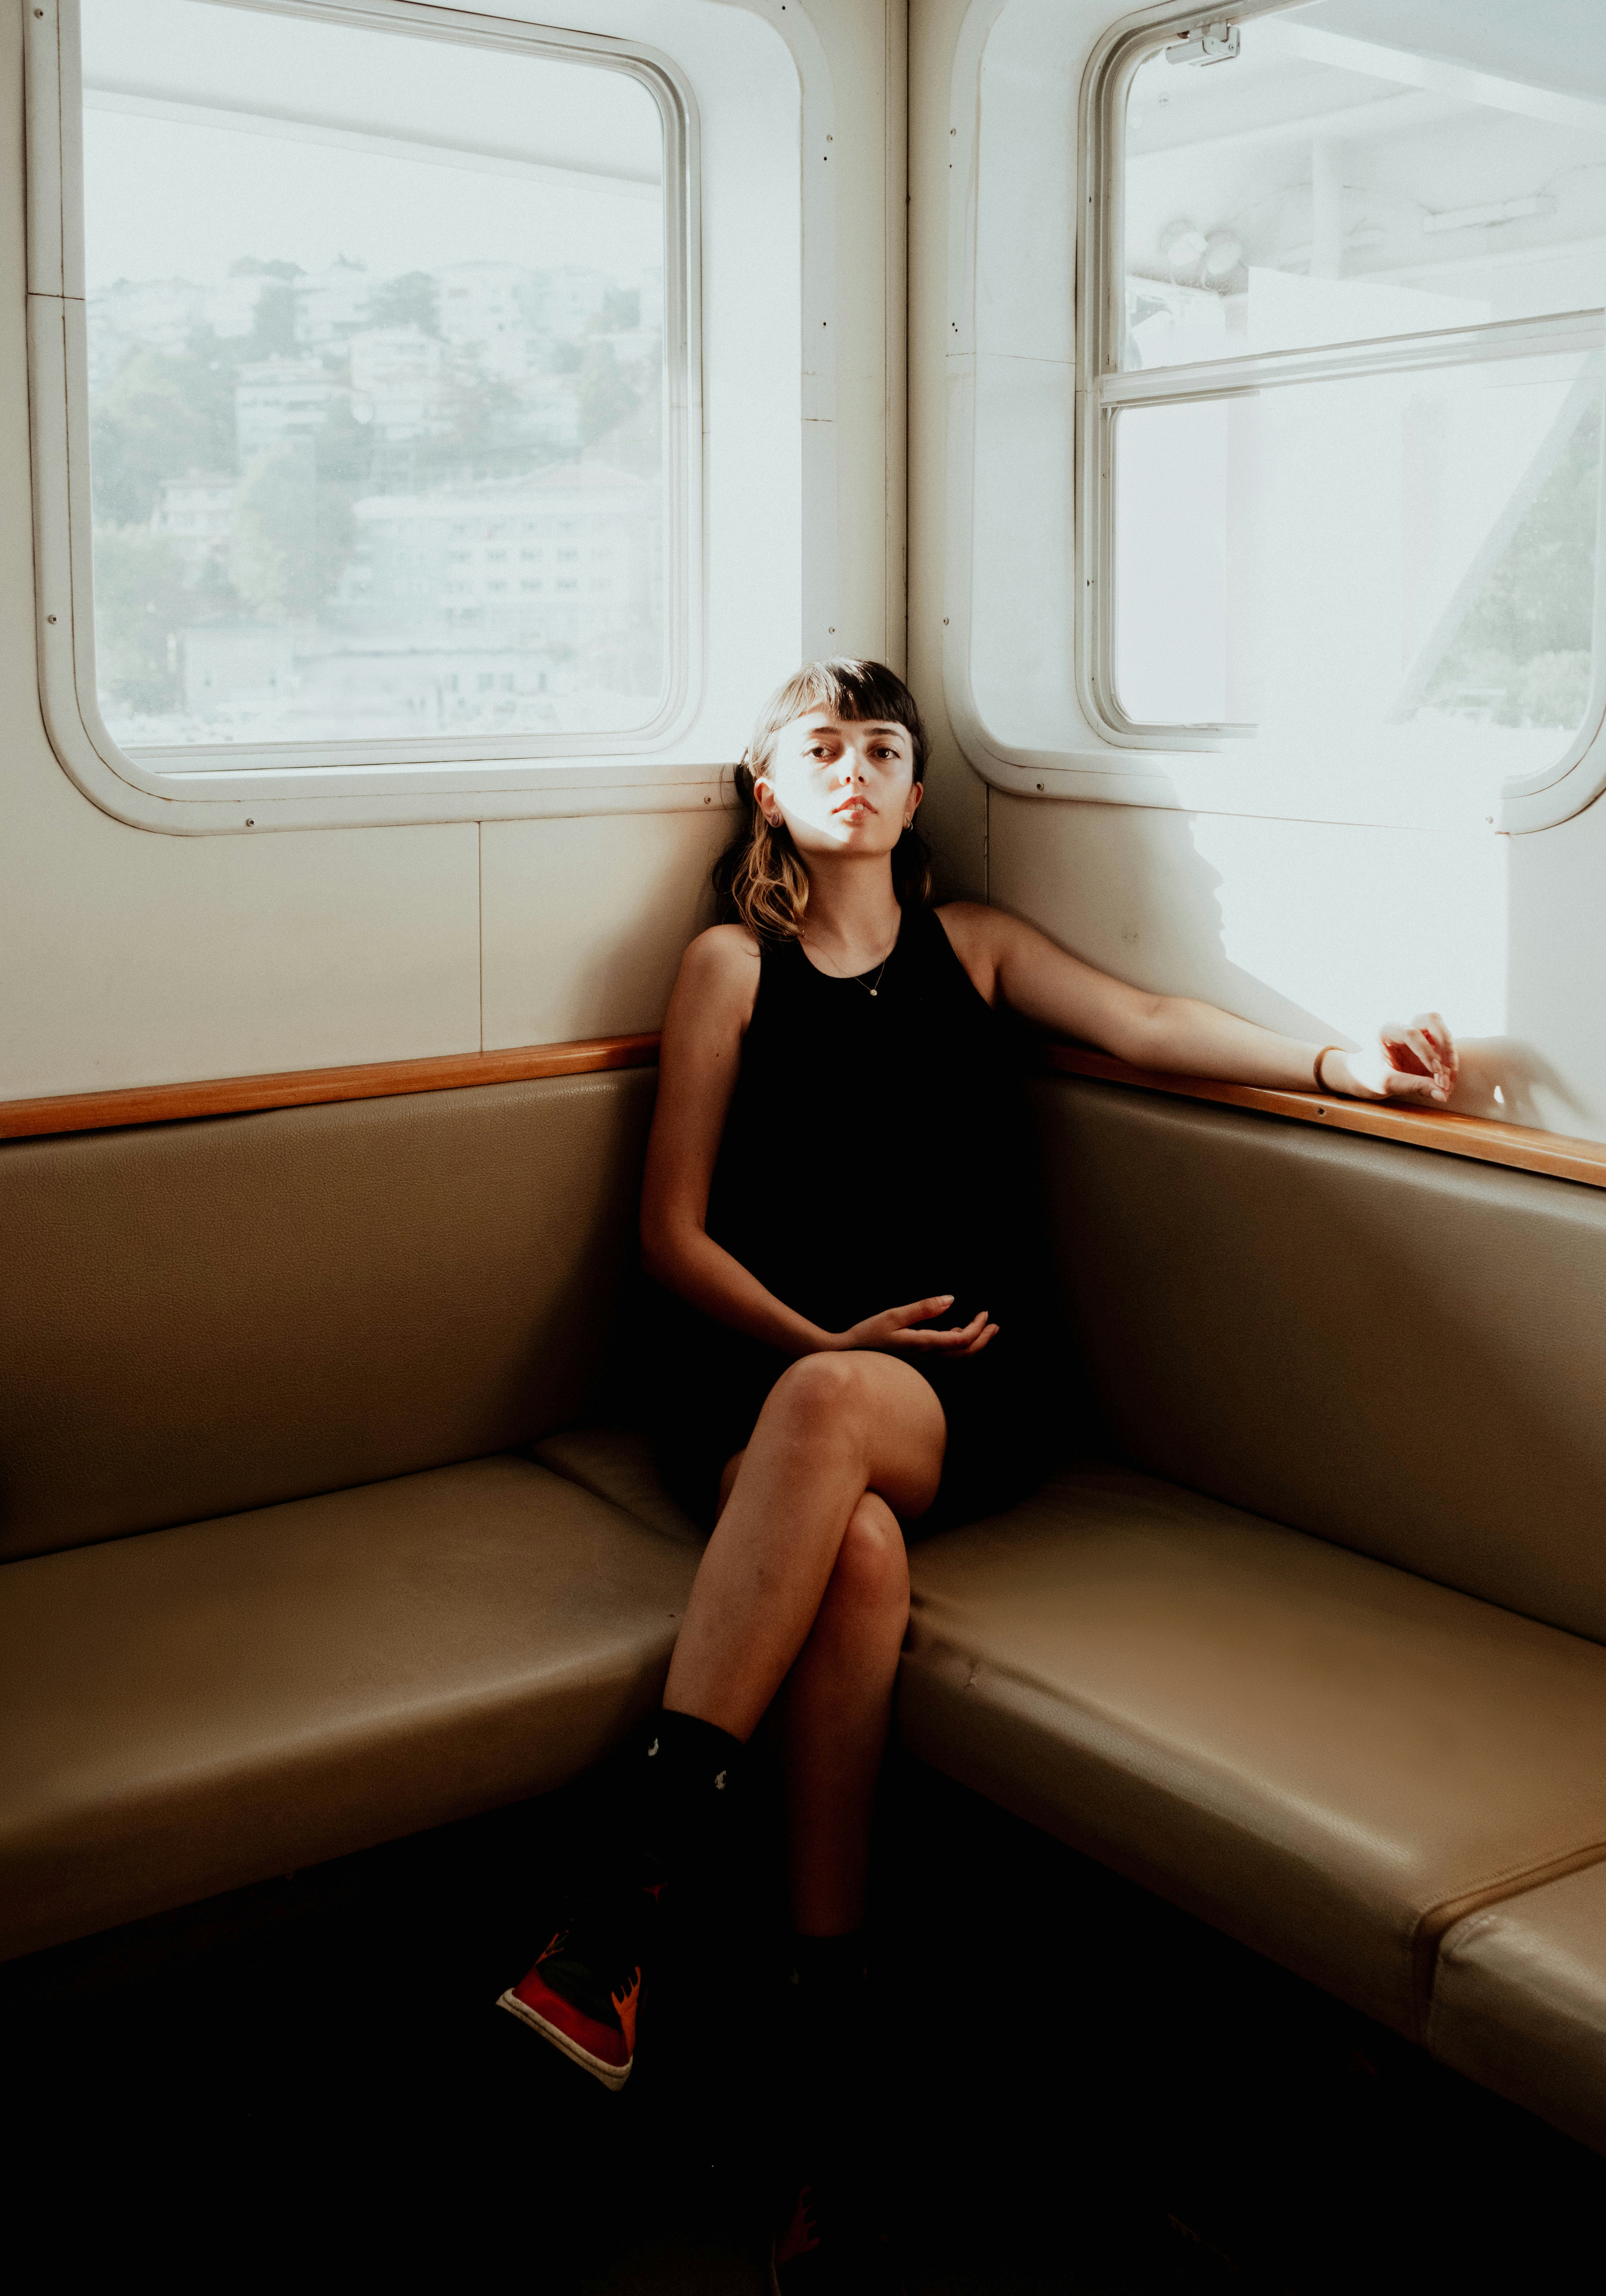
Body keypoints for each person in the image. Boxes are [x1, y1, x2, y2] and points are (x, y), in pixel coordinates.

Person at [497, 658, 1458, 2289]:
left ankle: (618, 1910)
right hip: (767, 1373)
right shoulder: (728, 966)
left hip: (960, 1385)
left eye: (885, 750)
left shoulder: (981, 950)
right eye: (824, 749)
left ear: (921, 796)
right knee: (854, 1551)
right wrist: (817, 1334)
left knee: (841, 1426)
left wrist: (1333, 1063)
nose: (857, 771)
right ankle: (826, 2104)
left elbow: (1150, 1024)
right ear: (769, 789)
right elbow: (669, 1233)